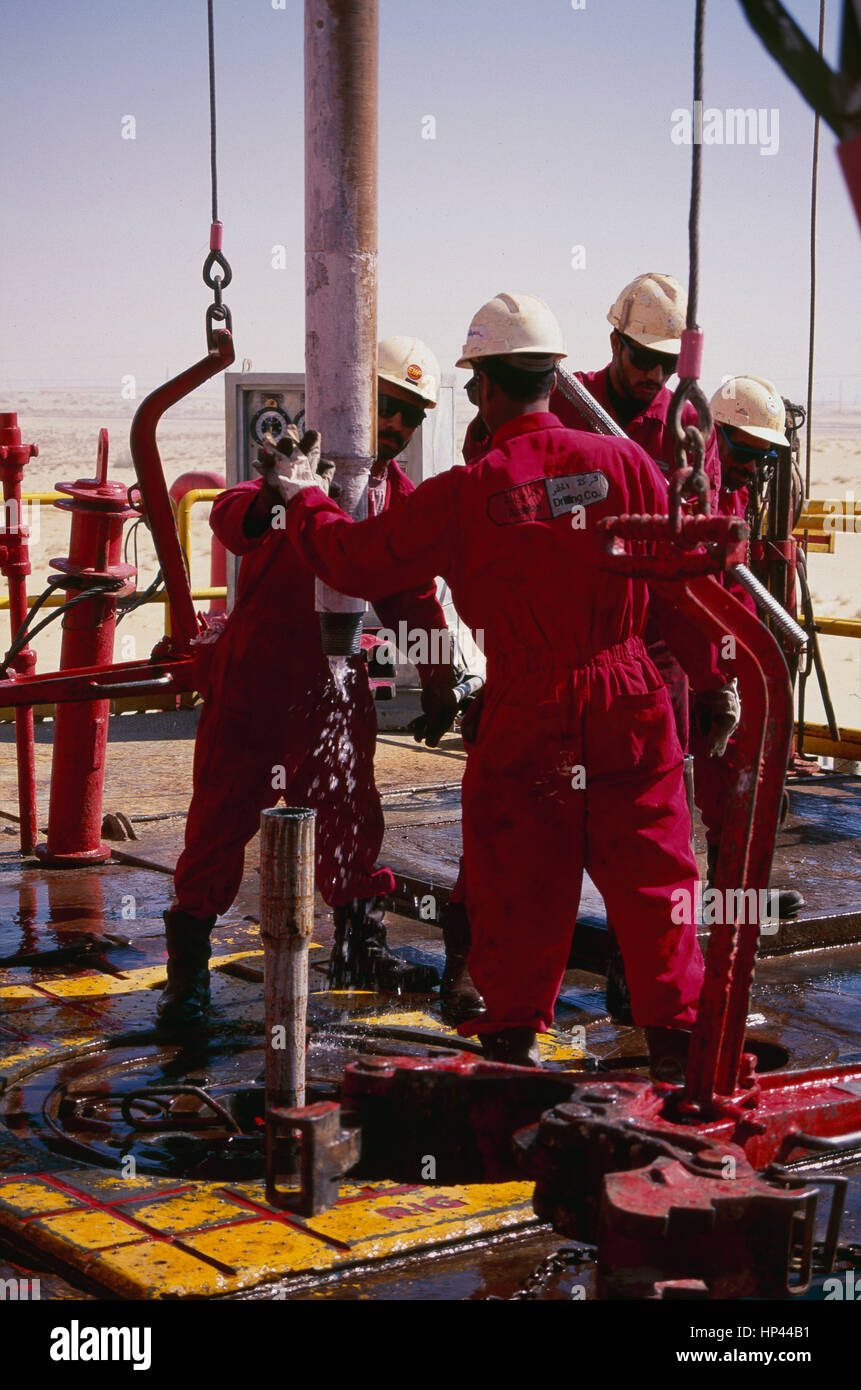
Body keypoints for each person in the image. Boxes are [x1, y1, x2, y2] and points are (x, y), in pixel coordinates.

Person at [272, 292, 738, 1080]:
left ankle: (512, 1063)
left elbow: (353, 561)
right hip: (630, 700)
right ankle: (679, 1063)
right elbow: (677, 586)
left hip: (530, 710)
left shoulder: (461, 494)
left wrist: (301, 496)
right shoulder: (626, 463)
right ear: (553, 380)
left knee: (519, 889)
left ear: (481, 386)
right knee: (659, 888)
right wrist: (712, 680)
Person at [159, 336, 459, 1028]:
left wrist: (441, 679)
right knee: (221, 815)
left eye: (409, 416)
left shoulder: (394, 496)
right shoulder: (294, 468)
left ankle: (359, 947)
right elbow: (232, 517)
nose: (394, 426)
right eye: (386, 407)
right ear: (356, 400)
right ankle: (187, 973)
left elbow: (412, 595)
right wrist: (276, 494)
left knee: (351, 810)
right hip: (257, 673)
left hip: (337, 671)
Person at [692, 376, 804, 919]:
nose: (752, 467)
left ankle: (731, 895)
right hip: (668, 650)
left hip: (718, 650)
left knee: (737, 769)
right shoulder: (689, 484)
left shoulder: (734, 494)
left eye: (763, 458)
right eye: (745, 451)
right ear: (716, 434)